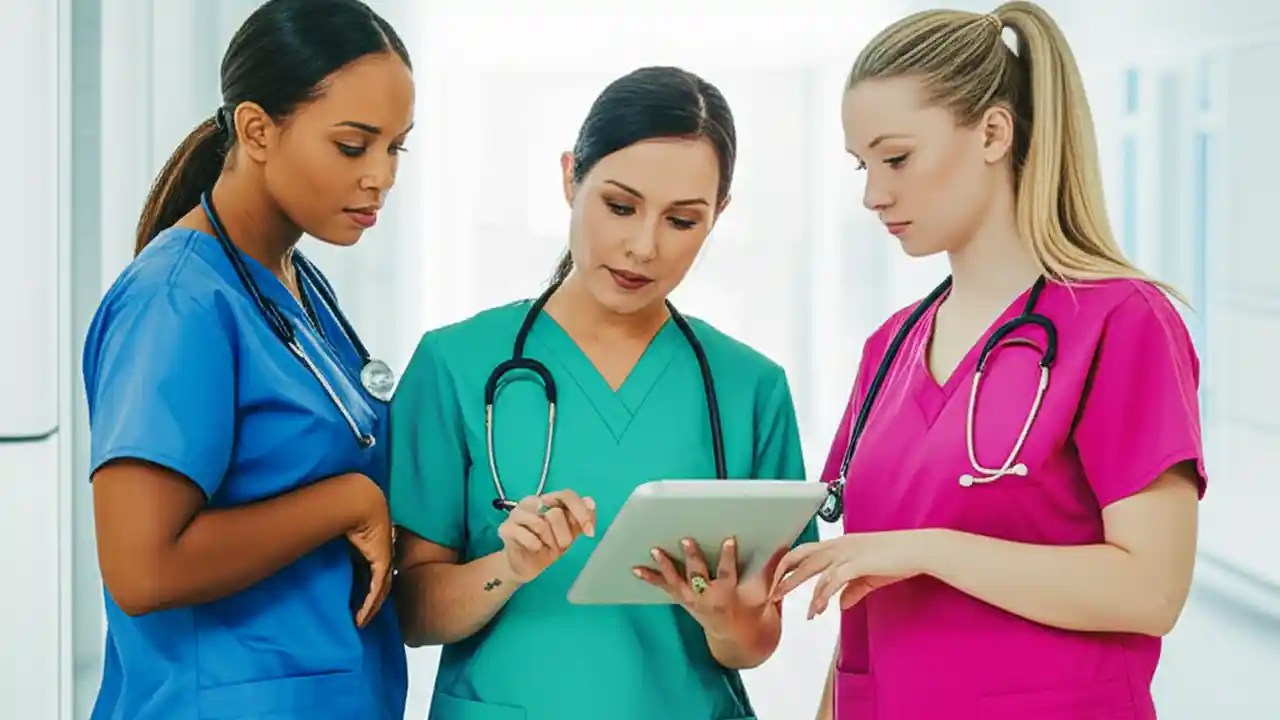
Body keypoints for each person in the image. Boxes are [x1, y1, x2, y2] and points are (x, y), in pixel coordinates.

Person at [769, 3, 1206, 719]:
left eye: (896, 158)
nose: (874, 195)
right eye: (862, 166)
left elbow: (1150, 590)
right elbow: (865, 602)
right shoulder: (890, 349)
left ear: (994, 133)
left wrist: (930, 550)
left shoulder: (1122, 323)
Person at [389, 65, 819, 720]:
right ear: (571, 177)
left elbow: (756, 640)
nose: (643, 247)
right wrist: (511, 564)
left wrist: (724, 618)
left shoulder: (750, 389)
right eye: (620, 207)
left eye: (682, 220)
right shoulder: (455, 364)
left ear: (718, 216)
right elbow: (414, 613)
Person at [81, 1, 415, 718]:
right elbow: (142, 567)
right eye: (353, 146)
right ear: (258, 130)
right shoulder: (177, 301)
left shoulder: (294, 282)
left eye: (397, 148)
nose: (381, 177)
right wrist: (345, 502)